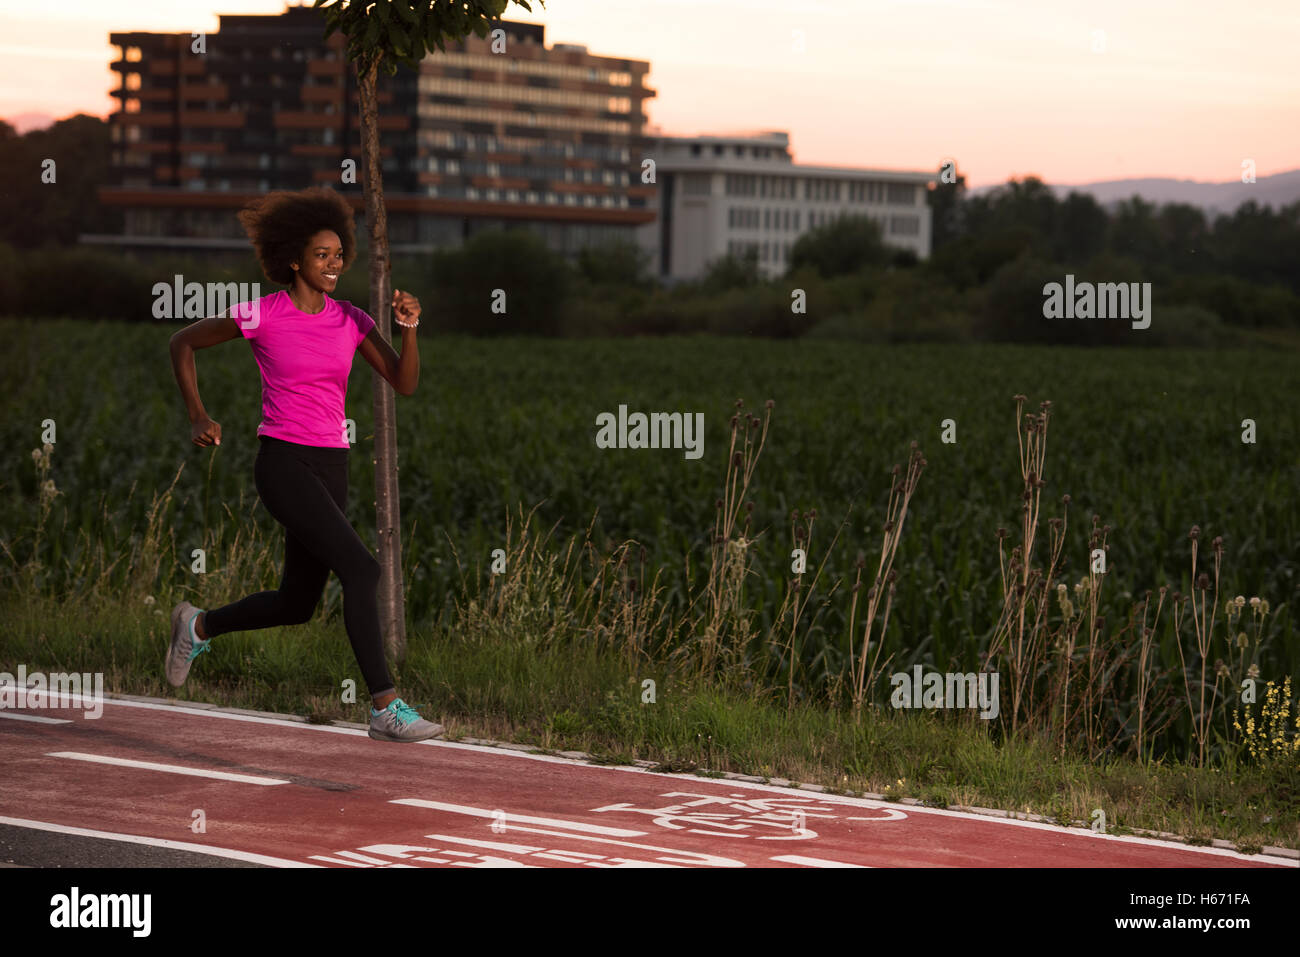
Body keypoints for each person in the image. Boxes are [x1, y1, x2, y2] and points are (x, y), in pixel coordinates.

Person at [165, 186, 441, 743]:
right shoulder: (261, 315)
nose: (334, 264)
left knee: (297, 603)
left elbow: (404, 383)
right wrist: (198, 414)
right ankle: (386, 707)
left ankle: (198, 625)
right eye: (322, 255)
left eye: (340, 255)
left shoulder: (353, 320)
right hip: (283, 463)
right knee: (363, 569)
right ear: (293, 258)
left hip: (331, 464)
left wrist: (410, 328)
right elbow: (182, 342)